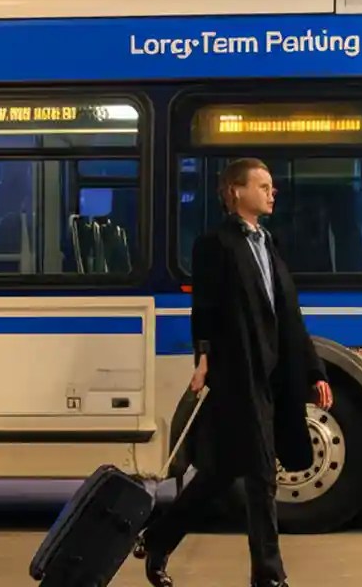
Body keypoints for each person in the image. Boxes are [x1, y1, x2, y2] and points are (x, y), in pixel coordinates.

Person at [141, 157, 334, 587]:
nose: (272, 192)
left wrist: (314, 371)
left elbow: (290, 315)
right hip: (238, 375)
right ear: (235, 192)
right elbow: (204, 310)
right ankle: (268, 574)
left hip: (273, 375)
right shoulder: (215, 245)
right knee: (263, 473)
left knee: (219, 475)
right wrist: (203, 360)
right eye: (262, 185)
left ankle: (158, 538)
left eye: (271, 185)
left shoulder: (270, 244)